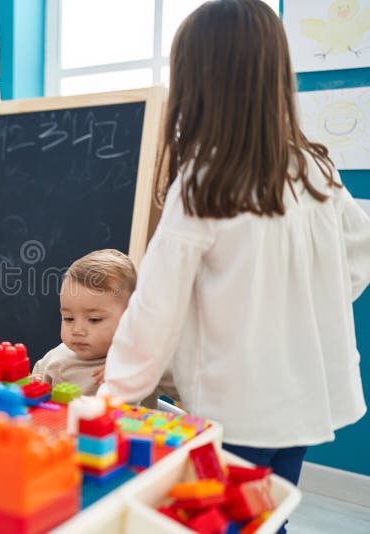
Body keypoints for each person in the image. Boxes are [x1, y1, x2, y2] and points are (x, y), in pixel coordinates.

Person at [97, 0, 370, 501]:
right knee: (270, 511)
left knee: (225, 515)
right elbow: (359, 253)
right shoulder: (316, 171)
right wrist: (303, 309)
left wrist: (113, 398)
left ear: (196, 85)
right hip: (305, 401)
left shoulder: (204, 185)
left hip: (237, 407)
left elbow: (155, 311)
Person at [32, 250, 136, 397]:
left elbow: (178, 385)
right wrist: (30, 388)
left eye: (94, 319)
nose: (77, 330)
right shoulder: (54, 360)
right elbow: (33, 397)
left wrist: (129, 369)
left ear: (130, 318)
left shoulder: (140, 361)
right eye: (68, 318)